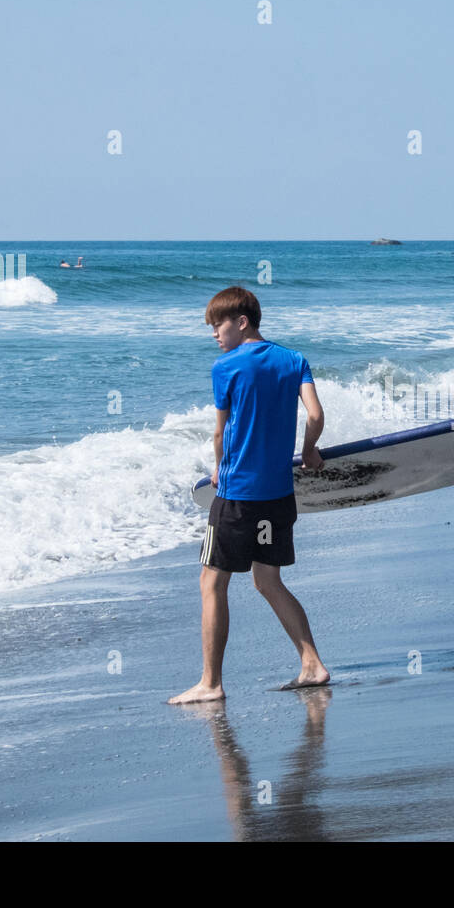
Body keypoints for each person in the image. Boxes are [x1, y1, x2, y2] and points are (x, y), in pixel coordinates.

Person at [169, 286, 330, 702]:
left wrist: (220, 469)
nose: (214, 335)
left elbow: (220, 431)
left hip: (238, 494)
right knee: (268, 580)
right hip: (278, 494)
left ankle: (211, 684)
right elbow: (315, 415)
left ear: (242, 322)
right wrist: (309, 450)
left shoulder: (226, 367)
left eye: (218, 325)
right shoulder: (294, 360)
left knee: (211, 583)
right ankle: (312, 664)